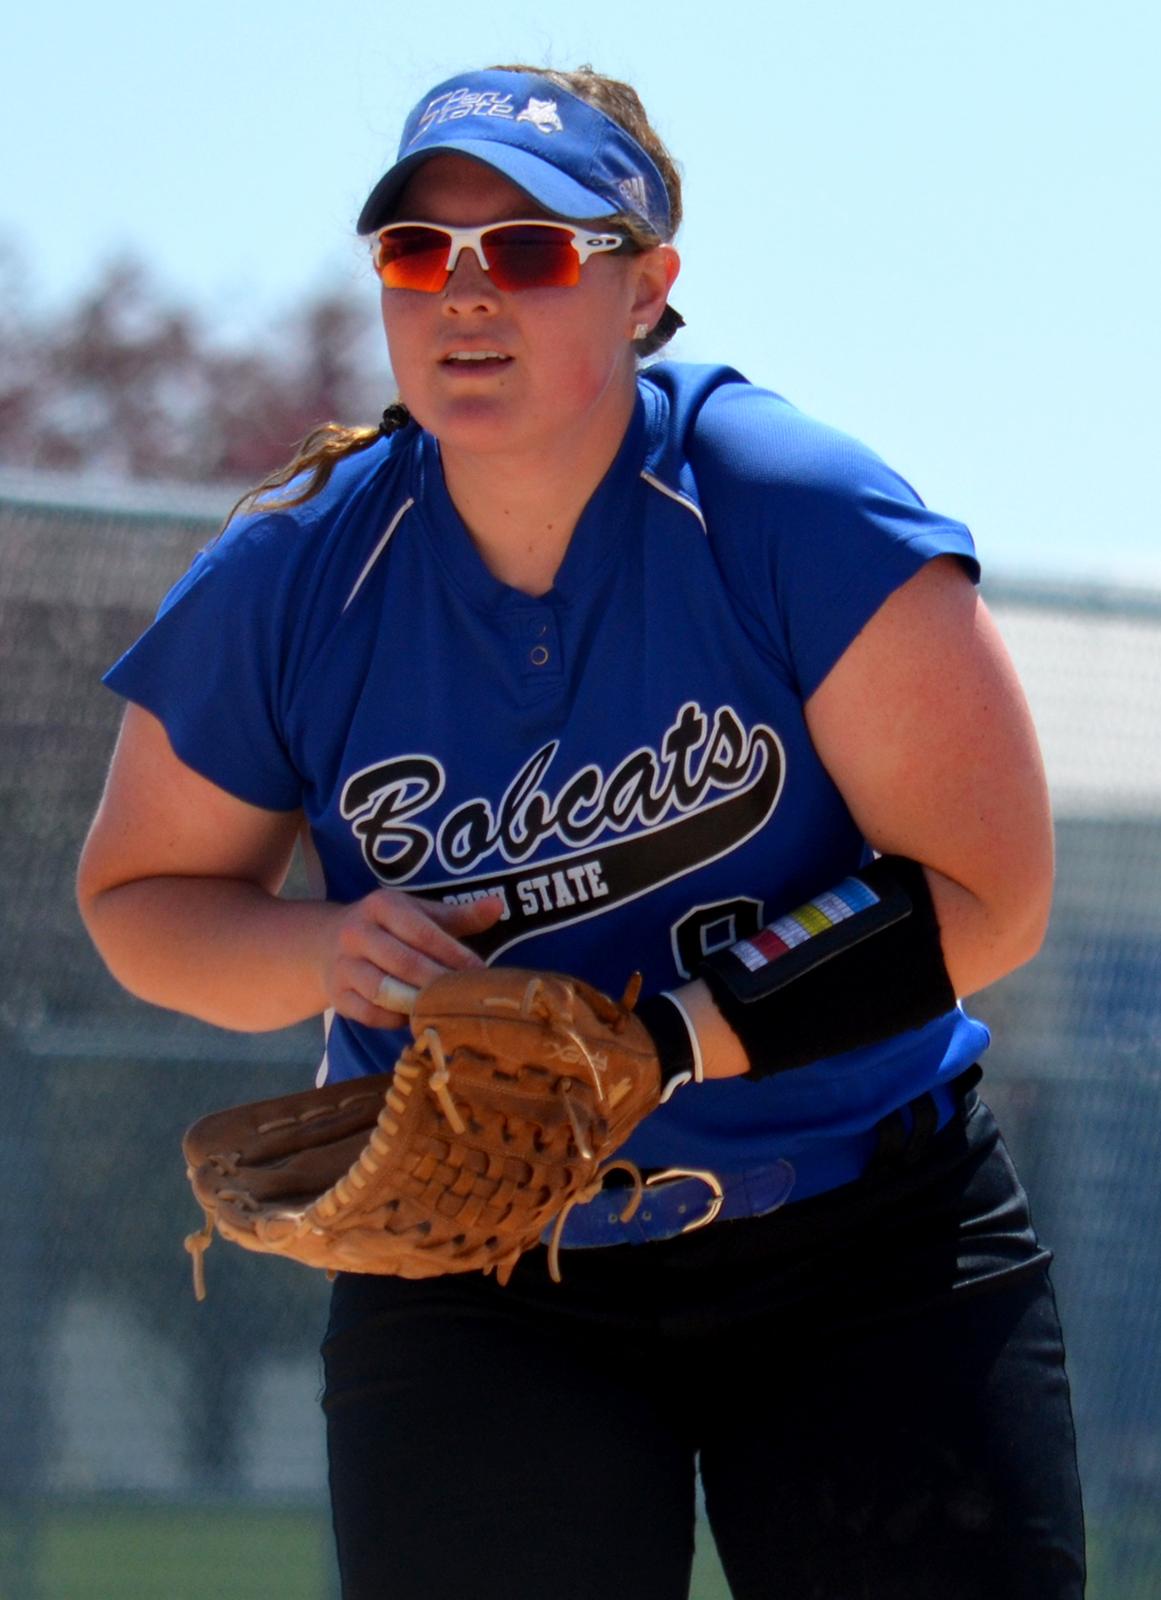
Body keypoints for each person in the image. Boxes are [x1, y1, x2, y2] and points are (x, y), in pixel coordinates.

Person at [77, 63, 1086, 1600]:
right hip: (475, 1274)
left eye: (533, 251)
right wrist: (320, 947)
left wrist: (663, 1046)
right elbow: (143, 899)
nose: (466, 294)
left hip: (864, 1242)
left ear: (644, 290)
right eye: (421, 251)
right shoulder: (296, 570)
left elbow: (983, 897)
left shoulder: (785, 506)